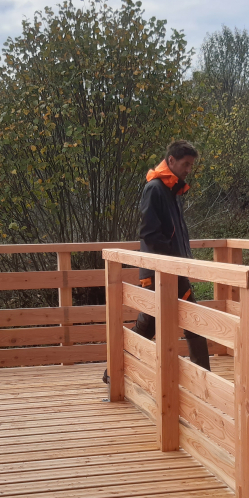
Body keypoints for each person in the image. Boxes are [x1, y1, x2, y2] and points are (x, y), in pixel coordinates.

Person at [104, 140, 211, 385]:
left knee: (158, 323)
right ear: (171, 161)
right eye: (185, 164)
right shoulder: (155, 188)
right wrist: (173, 261)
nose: (188, 170)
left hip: (171, 270)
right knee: (185, 320)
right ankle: (205, 381)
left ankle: (113, 373)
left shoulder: (172, 189)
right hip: (159, 271)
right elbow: (149, 234)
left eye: (191, 166)